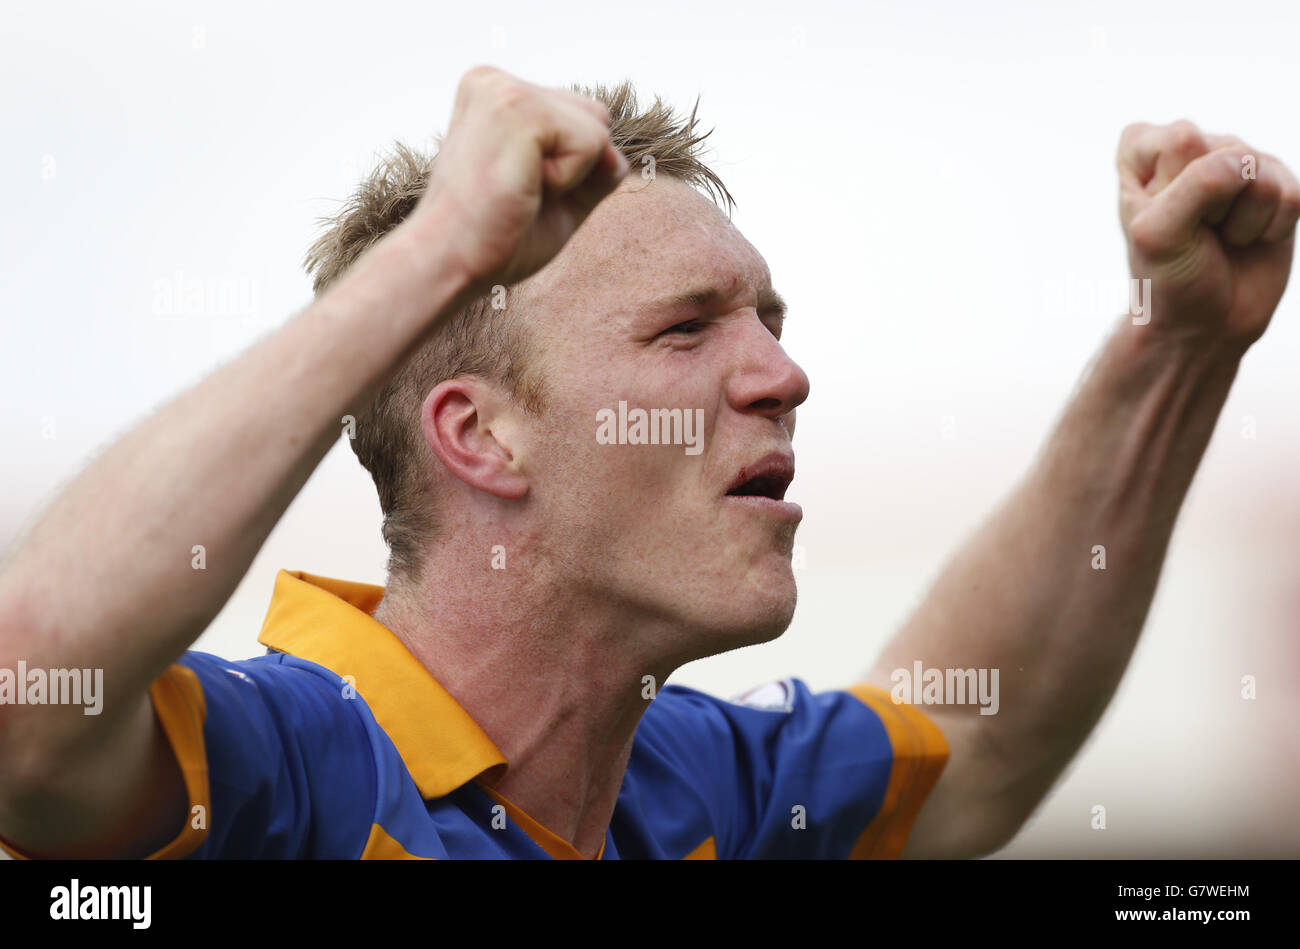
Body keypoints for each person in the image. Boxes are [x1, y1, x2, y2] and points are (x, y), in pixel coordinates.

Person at [0, 67, 1295, 859]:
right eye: (687, 330)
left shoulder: (706, 791)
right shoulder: (291, 759)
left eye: (769, 325)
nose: (781, 378)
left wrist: (1177, 344)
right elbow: (27, 694)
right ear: (477, 434)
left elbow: (981, 734)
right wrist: (446, 247)